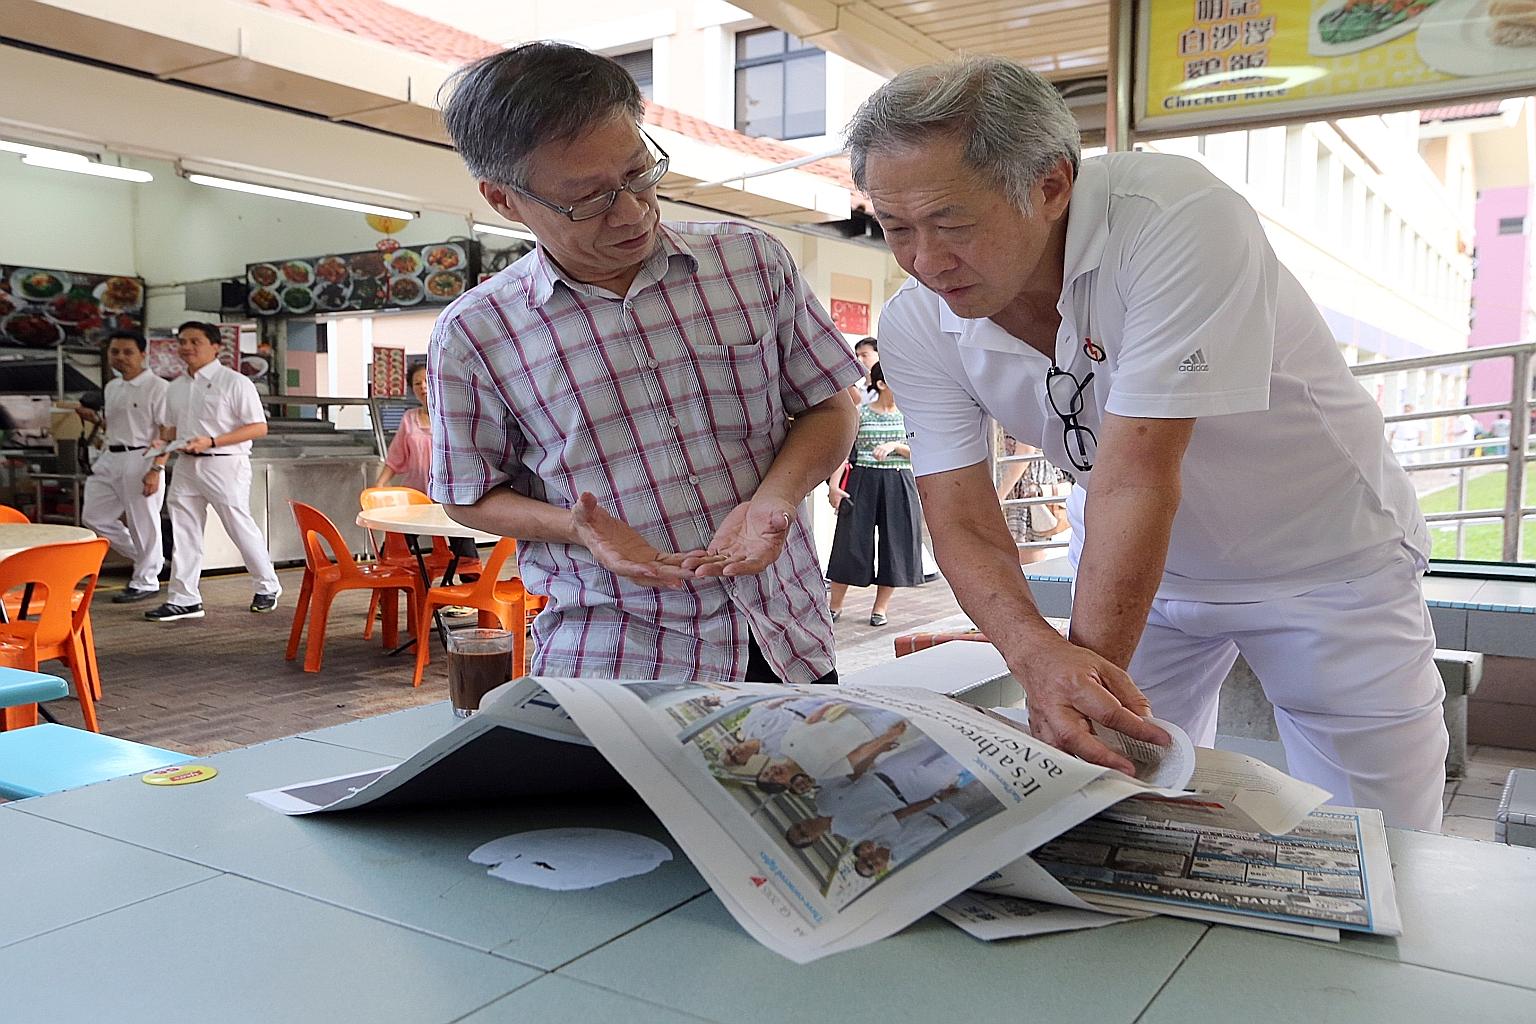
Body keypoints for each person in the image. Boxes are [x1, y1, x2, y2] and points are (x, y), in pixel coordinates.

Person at [849, 56, 1448, 830]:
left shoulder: (1175, 216)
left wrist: (1080, 688)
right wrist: (1039, 659)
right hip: (1140, 574)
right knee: (1119, 805)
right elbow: (959, 514)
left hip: (1323, 561)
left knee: (1385, 833)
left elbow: (1138, 475)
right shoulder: (913, 322)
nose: (926, 262)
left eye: (953, 223)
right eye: (896, 230)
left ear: (1052, 185)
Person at [428, 42, 861, 684]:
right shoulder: (476, 332)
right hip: (612, 654)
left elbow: (828, 405)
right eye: (588, 199)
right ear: (505, 201)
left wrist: (778, 496)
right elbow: (468, 496)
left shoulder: (750, 262)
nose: (632, 213)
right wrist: (578, 529)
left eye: (638, 174)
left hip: (785, 636)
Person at [145, 321, 282, 621]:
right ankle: (185, 598)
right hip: (186, 465)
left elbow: (258, 427)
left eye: (195, 341)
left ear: (216, 346)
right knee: (184, 532)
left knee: (238, 526)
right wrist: (161, 444)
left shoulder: (235, 382)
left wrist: (211, 441)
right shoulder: (176, 386)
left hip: (225, 462)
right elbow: (171, 428)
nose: (187, 347)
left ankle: (267, 585)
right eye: (182, 342)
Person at [826, 362, 924, 626]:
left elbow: (923, 451)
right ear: (881, 384)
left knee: (896, 544)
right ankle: (834, 605)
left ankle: (880, 608)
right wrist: (835, 486)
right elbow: (843, 451)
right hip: (863, 478)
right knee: (850, 541)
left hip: (898, 480)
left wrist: (896, 446)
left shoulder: (910, 416)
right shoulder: (860, 414)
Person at [80, 329, 171, 603]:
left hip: (141, 457)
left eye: (128, 352)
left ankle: (146, 580)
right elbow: (119, 426)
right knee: (94, 517)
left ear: (143, 354)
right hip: (111, 456)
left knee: (143, 521)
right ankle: (150, 559)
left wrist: (157, 468)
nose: (121, 357)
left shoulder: (158, 387)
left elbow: (167, 431)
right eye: (115, 352)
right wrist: (93, 419)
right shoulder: (112, 387)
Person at [375, 363, 480, 569]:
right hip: (416, 497)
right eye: (416, 384)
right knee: (396, 544)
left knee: (464, 544)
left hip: (450, 495)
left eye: (426, 382)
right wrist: (379, 485)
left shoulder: (451, 415)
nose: (422, 387)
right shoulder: (409, 419)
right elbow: (395, 458)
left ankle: (473, 590)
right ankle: (385, 586)